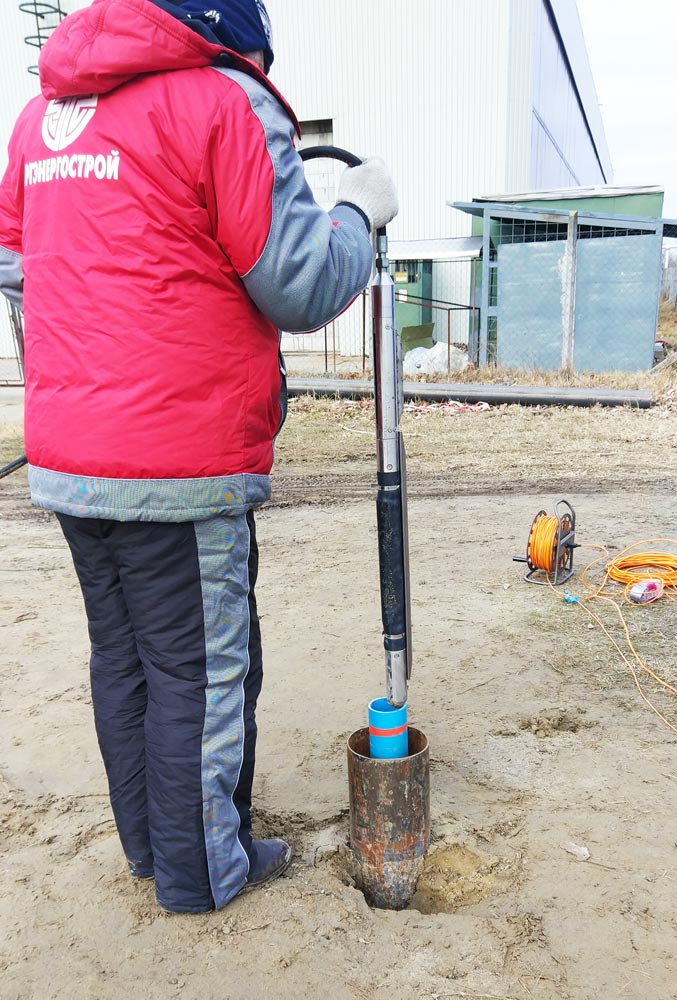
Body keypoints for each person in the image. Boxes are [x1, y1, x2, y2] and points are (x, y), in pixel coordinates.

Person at [0, 0, 398, 914]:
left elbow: (15, 259)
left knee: (127, 662)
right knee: (201, 673)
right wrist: (357, 214)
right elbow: (301, 283)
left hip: (72, 454)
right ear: (235, 39)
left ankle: (155, 850)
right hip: (177, 459)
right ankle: (203, 873)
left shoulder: (44, 118)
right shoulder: (222, 99)